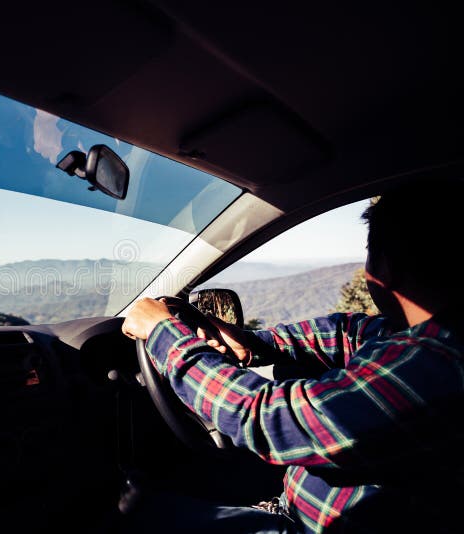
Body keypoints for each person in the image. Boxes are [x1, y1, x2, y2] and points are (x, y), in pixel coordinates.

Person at [121, 178, 464, 533]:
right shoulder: (413, 335)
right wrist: (251, 342)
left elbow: (266, 417)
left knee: (133, 517)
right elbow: (344, 334)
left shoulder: (437, 364)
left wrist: (164, 334)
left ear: (385, 268)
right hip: (295, 511)